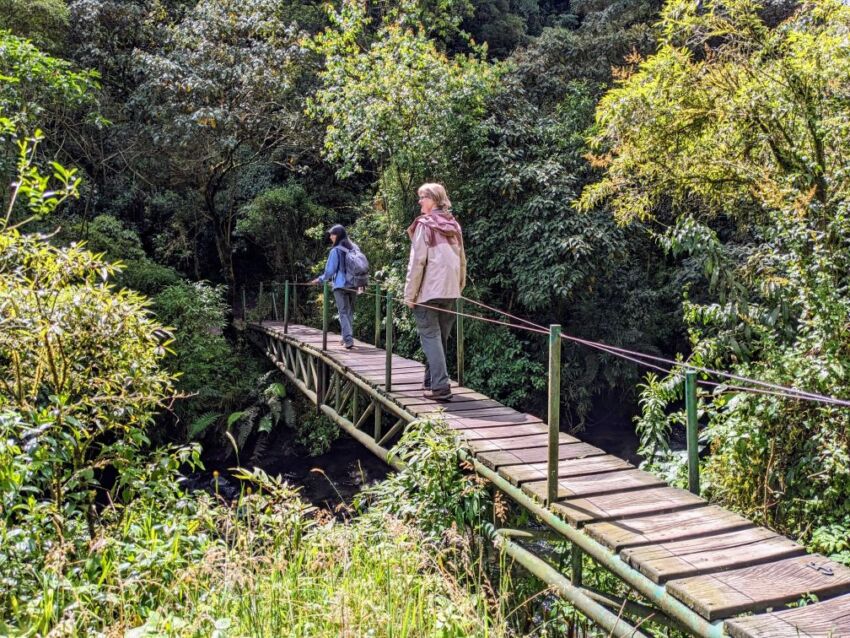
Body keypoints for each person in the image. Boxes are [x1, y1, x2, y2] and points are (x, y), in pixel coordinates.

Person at [403, 183, 466, 401]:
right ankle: (431, 381)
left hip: (428, 292)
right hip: (450, 291)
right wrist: (459, 287)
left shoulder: (425, 225)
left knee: (431, 337)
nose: (419, 201)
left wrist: (409, 295)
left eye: (423, 197)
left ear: (433, 200)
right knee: (440, 339)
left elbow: (417, 263)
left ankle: (440, 387)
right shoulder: (454, 225)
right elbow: (462, 260)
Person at [312, 224, 357, 349]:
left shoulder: (335, 250)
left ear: (338, 235)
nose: (331, 237)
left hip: (340, 285)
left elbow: (330, 271)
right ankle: (345, 337)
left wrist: (320, 279)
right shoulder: (354, 248)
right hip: (354, 284)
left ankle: (348, 340)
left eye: (333, 234)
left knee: (343, 312)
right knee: (349, 312)